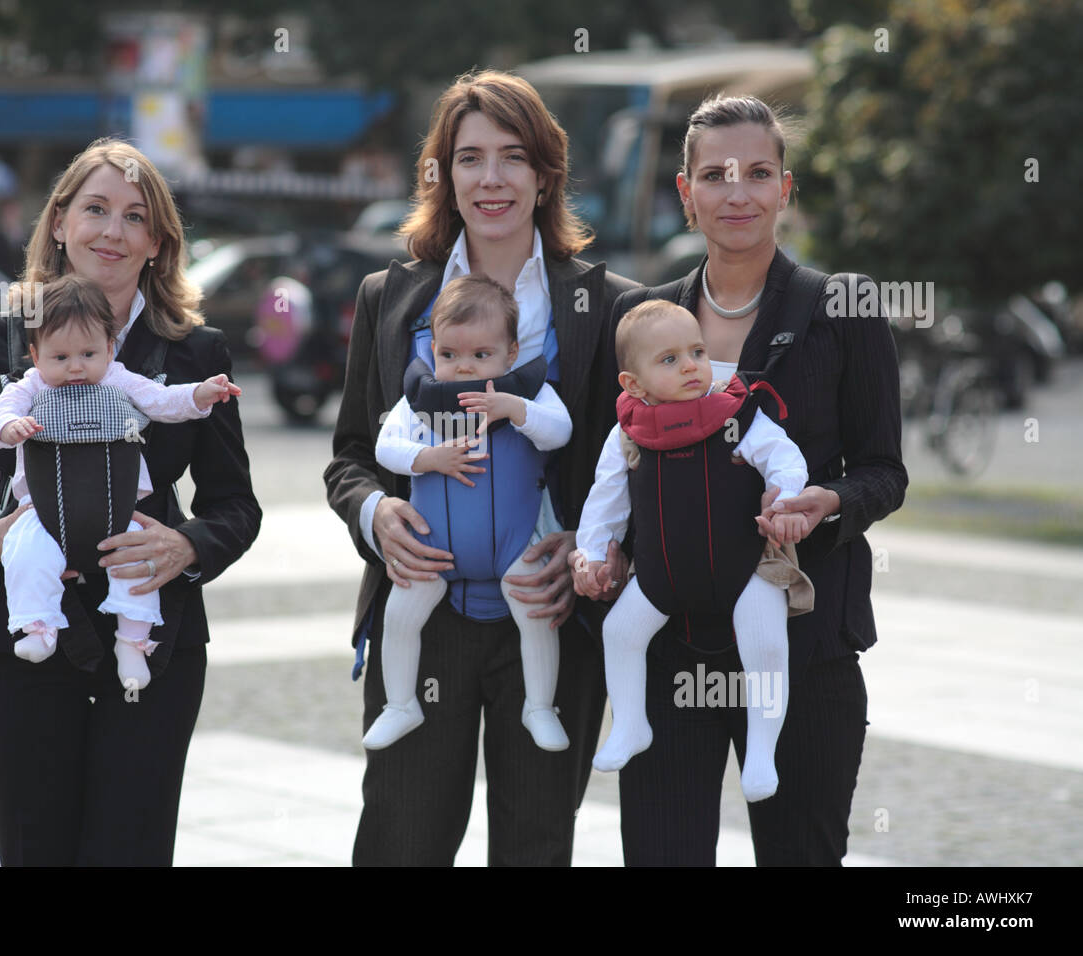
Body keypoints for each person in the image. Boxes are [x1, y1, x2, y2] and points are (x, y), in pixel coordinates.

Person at [0, 138, 261, 866]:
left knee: (132, 849)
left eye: (135, 217)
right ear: (59, 222)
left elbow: (235, 505)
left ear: (157, 244)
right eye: (95, 209)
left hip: (154, 644)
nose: (112, 231)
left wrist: (186, 546)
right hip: (22, 642)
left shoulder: (196, 355)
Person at [324, 69, 639, 866]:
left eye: (511, 157)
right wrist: (377, 514)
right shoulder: (387, 296)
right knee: (402, 840)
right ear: (443, 173)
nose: (490, 178)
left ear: (545, 174)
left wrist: (588, 552)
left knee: (536, 844)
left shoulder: (612, 306)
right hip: (423, 612)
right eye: (469, 158)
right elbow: (353, 457)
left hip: (551, 612)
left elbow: (635, 465)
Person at [594, 95, 907, 865]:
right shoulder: (645, 315)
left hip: (805, 650)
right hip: (672, 652)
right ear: (685, 191)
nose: (738, 193)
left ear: (785, 189)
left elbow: (885, 471)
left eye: (758, 173)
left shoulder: (843, 308)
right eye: (717, 175)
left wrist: (827, 502)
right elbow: (617, 463)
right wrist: (601, 552)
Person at [575, 300, 812, 801]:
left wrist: (786, 496)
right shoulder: (627, 434)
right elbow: (604, 502)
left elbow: (783, 456)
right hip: (662, 575)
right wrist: (593, 553)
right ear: (632, 385)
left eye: (697, 351)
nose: (690, 365)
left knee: (765, 644)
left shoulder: (736, 415)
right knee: (619, 631)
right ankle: (631, 725)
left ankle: (762, 750)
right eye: (669, 359)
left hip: (746, 568)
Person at [0, 274, 240, 689]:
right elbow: (3, 407)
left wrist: (200, 394)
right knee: (25, 550)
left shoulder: (117, 378)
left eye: (88, 353)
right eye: (60, 357)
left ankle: (134, 640)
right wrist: (11, 427)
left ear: (110, 348)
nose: (75, 367)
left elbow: (163, 400)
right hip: (43, 506)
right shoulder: (29, 387)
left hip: (119, 505)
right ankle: (37, 625)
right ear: (35, 356)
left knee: (137, 563)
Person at [366, 273, 573, 752]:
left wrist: (516, 410)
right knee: (400, 614)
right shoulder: (418, 399)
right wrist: (427, 459)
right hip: (432, 547)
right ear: (431, 350)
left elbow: (559, 432)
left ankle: (540, 705)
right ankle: (400, 703)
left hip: (515, 543)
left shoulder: (531, 392)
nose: (463, 369)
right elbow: (384, 447)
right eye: (449, 355)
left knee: (535, 609)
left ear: (511, 353)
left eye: (481, 355)